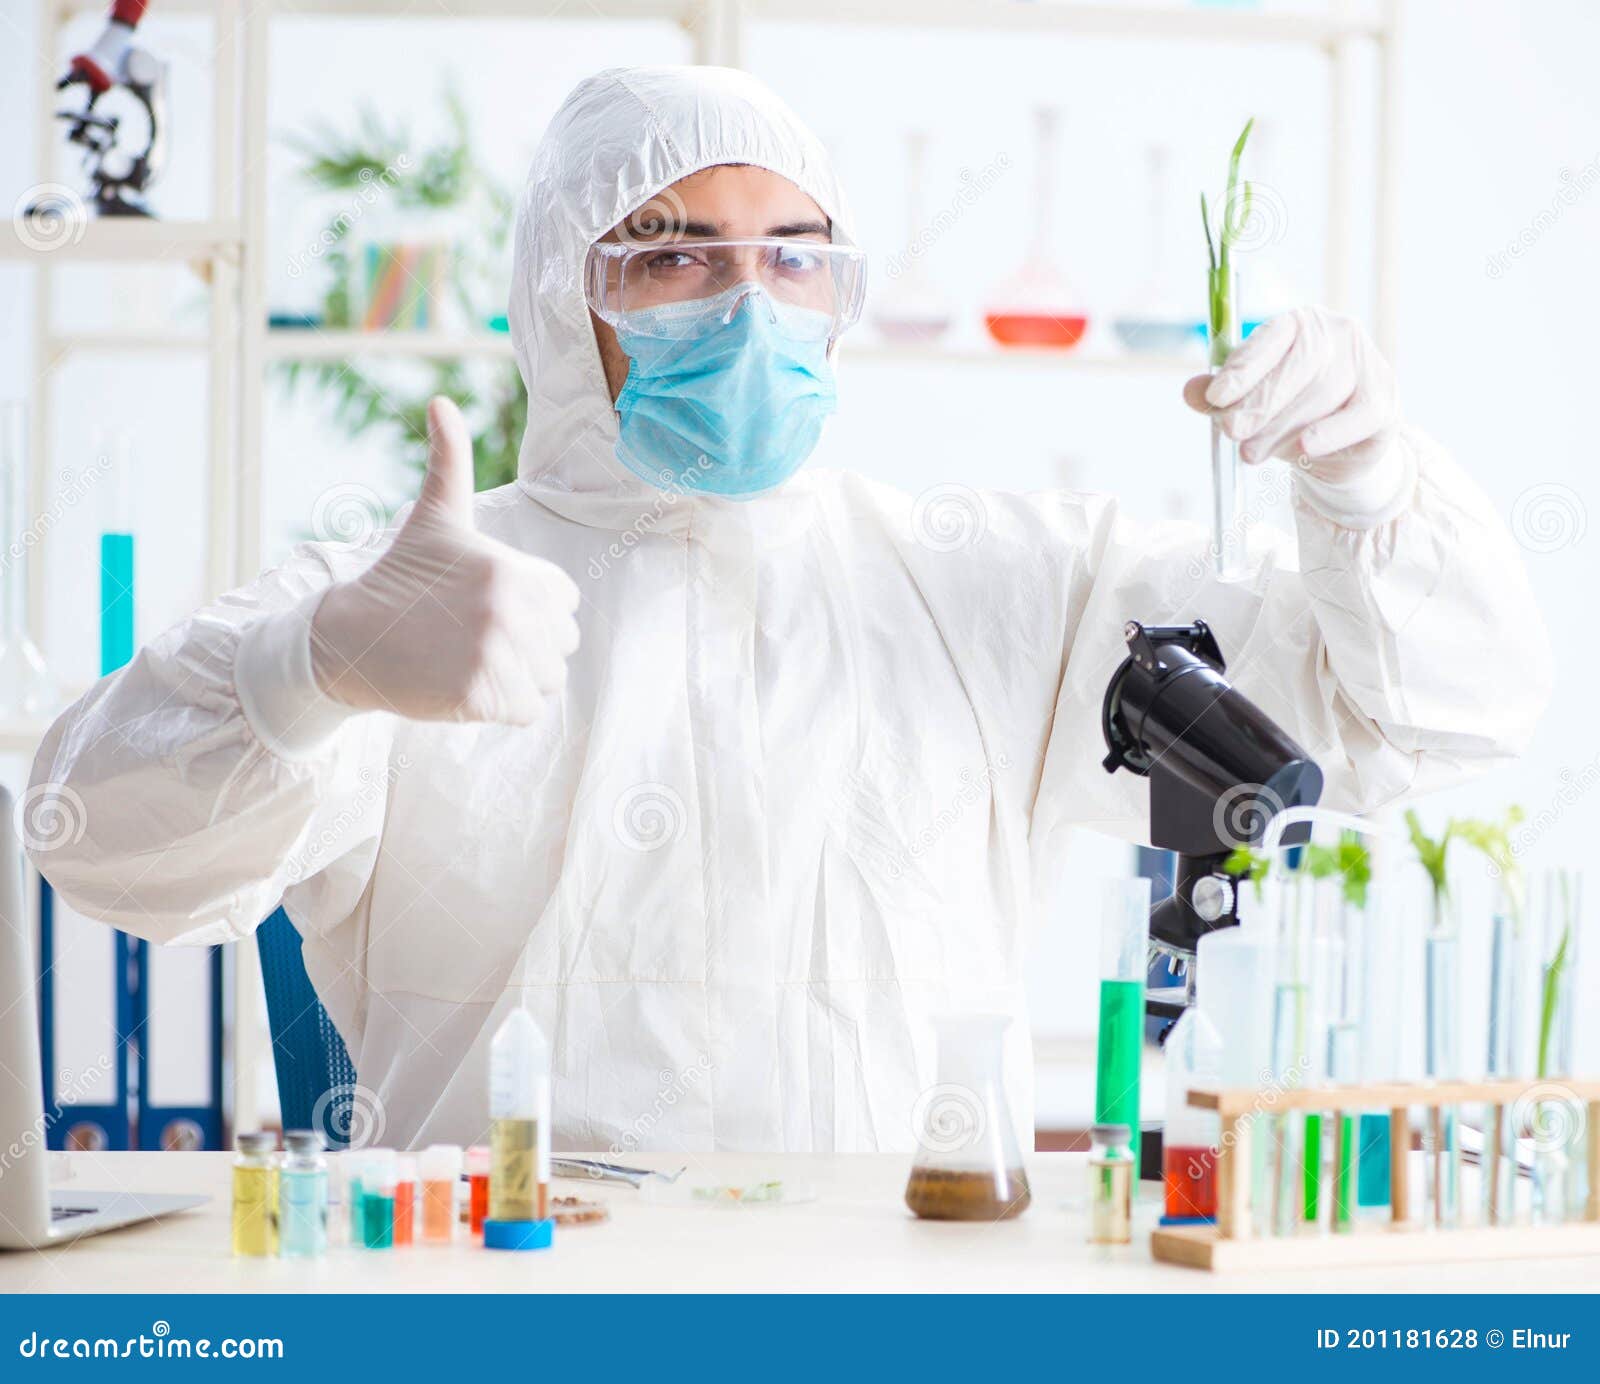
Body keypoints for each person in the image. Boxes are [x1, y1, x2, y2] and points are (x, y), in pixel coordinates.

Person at [26, 66, 1550, 1153]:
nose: (748, 303)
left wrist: (1366, 486)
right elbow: (93, 839)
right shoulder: (420, 596)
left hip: (882, 1304)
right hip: (499, 1306)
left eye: (794, 257)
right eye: (673, 253)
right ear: (561, 293)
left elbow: (1403, 726)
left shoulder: (998, 591)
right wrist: (313, 671)